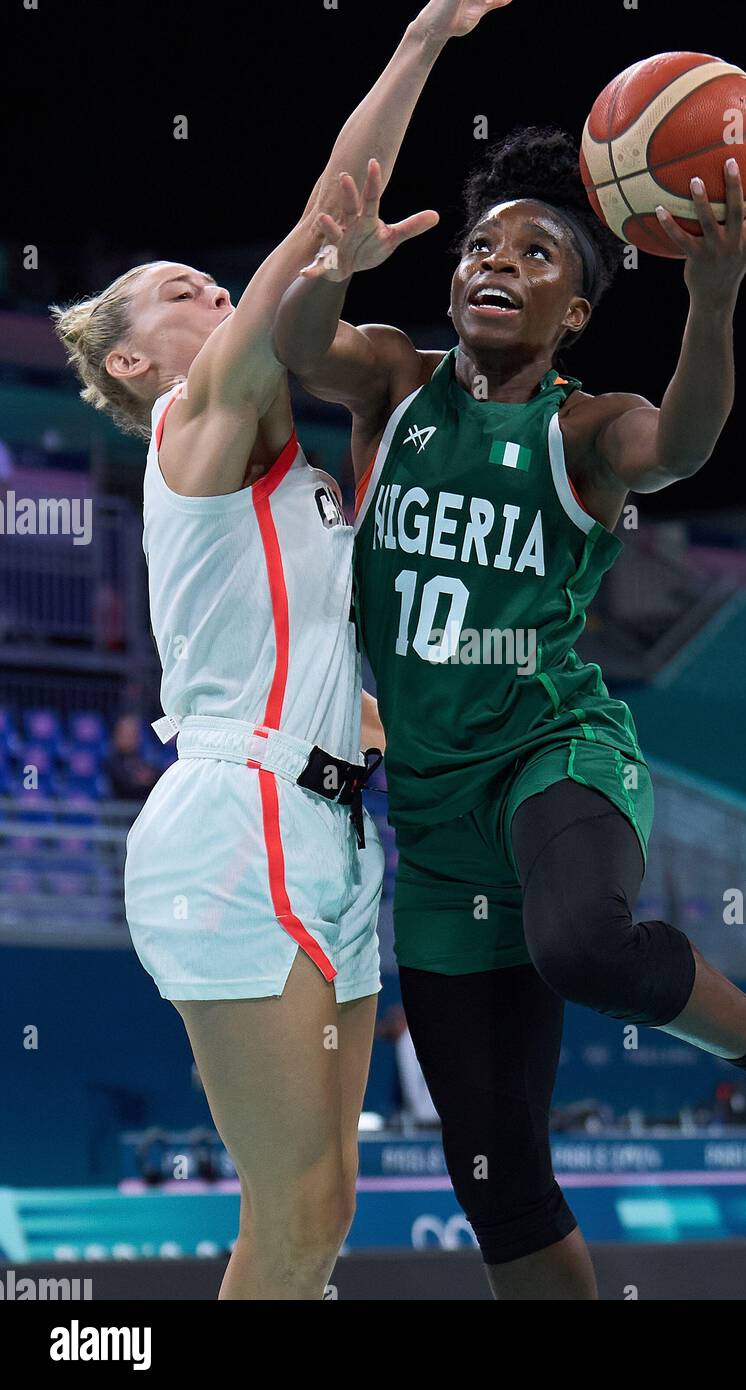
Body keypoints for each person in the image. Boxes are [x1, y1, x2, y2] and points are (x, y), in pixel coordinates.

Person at [272, 109, 746, 1299]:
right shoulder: (395, 387)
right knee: (499, 1186)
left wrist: (712, 301)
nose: (494, 263)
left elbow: (680, 442)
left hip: (554, 756)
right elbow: (304, 346)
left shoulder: (583, 427)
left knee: (580, 944)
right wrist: (329, 258)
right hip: (439, 815)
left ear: (573, 311)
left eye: (533, 255)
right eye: (479, 248)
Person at [50, 0, 509, 1300]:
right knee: (290, 1206)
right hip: (234, 826)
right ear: (137, 358)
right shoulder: (196, 421)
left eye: (213, 282)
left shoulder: (294, 474)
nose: (214, 292)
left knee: (326, 1208)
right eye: (185, 294)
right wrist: (424, 41)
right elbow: (323, 215)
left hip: (337, 829)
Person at [104, 713, 158, 801]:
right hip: (116, 810)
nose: (131, 738)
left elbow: (155, 775)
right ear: (117, 735)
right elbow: (118, 785)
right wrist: (137, 780)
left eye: (134, 734)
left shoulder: (144, 757)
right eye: (127, 734)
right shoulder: (109, 761)